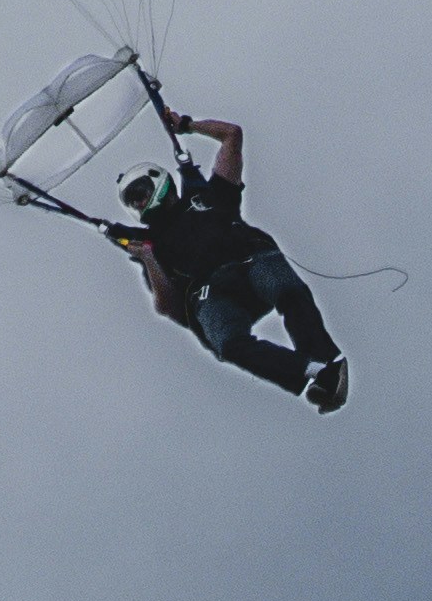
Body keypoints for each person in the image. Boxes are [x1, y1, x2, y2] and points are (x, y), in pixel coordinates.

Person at [109, 113, 346, 410]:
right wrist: (147, 258)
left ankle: (323, 359)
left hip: (250, 262)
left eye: (140, 193)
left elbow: (232, 135)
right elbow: (167, 307)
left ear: (158, 182)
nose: (140, 203)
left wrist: (186, 126)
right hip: (215, 294)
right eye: (132, 201)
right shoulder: (151, 246)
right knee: (227, 344)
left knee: (286, 290)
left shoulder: (210, 196)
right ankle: (315, 373)